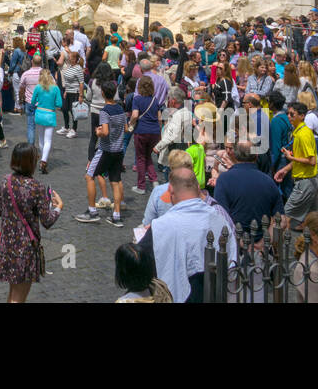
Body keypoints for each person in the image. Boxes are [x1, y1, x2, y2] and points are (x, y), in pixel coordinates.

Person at [137, 166, 238, 303]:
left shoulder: (162, 225)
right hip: (214, 294)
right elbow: (232, 262)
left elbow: (138, 261)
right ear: (197, 188)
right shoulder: (219, 219)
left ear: (171, 190)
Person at [0, 142, 62, 302]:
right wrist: (58, 207)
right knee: (18, 298)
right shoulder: (36, 187)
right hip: (25, 249)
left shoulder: (6, 181)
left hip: (7, 245)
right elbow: (47, 221)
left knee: (12, 293)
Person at [75, 79, 126, 226]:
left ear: (103, 93)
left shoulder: (105, 111)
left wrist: (98, 132)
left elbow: (105, 131)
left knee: (89, 176)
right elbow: (127, 128)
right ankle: (116, 216)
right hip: (119, 151)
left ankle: (92, 211)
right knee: (115, 182)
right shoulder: (121, 109)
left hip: (106, 150)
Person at [213, 141, 283, 236]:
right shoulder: (269, 182)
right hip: (261, 245)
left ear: (236, 156)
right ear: (256, 155)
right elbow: (281, 220)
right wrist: (263, 242)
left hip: (234, 242)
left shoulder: (223, 179)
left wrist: (240, 242)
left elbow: (220, 216)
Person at [274, 101, 318, 225]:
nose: (289, 116)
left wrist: (291, 158)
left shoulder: (303, 135)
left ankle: (281, 243)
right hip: (307, 181)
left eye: (292, 114)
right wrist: (286, 169)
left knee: (285, 218)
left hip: (305, 182)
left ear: (302, 116)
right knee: (312, 220)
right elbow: (303, 158)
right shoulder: (299, 132)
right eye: (288, 113)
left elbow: (312, 161)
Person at [31, 68, 63, 174]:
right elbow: (59, 104)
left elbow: (32, 101)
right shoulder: (55, 88)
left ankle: (43, 159)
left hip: (39, 113)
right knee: (48, 140)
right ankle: (44, 160)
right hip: (50, 114)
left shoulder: (38, 87)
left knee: (40, 139)